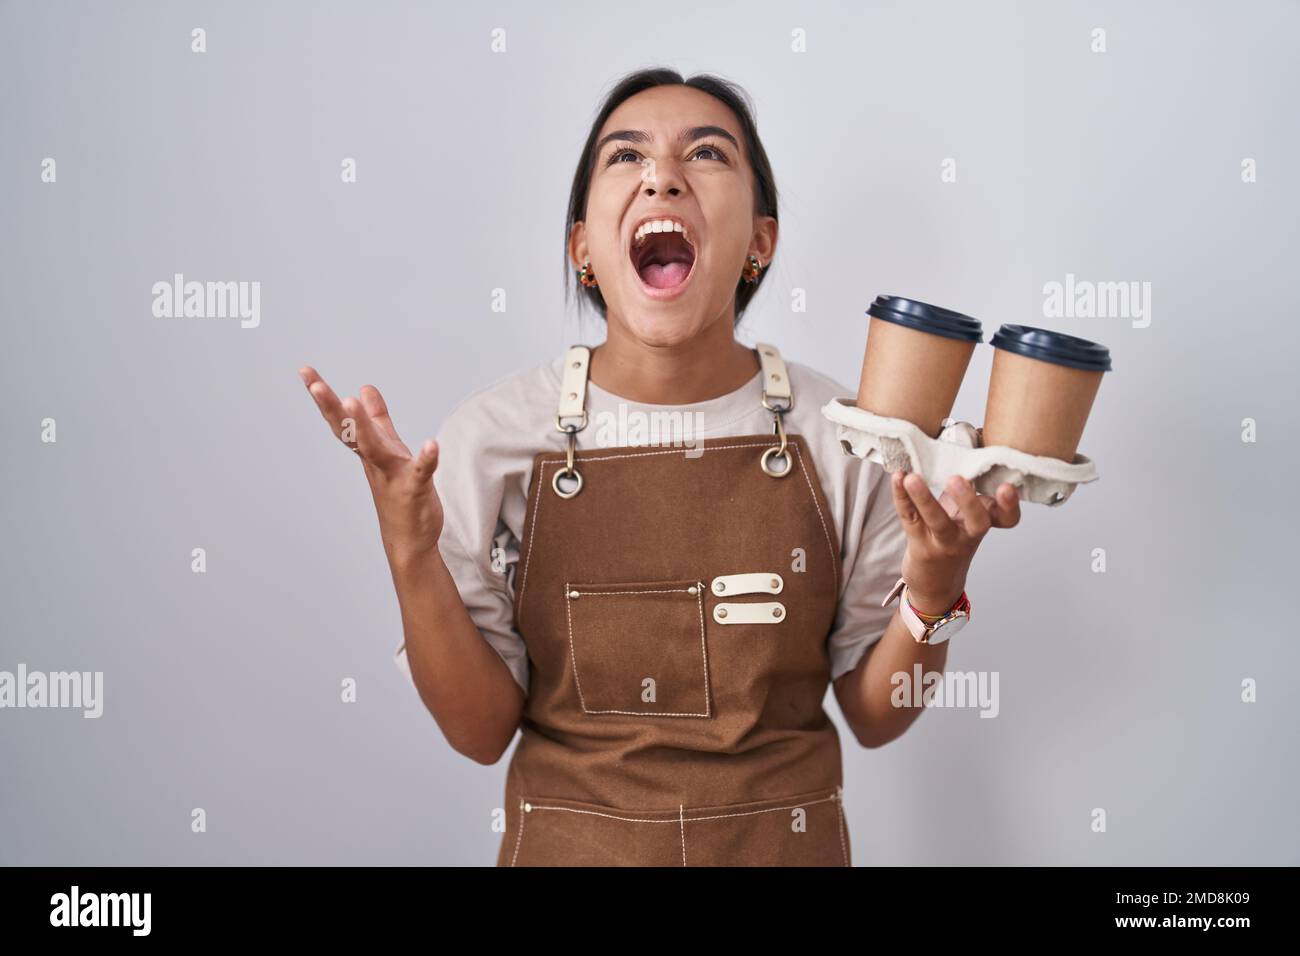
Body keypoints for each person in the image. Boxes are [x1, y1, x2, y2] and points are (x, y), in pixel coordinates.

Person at [298, 68, 1021, 866]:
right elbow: (478, 732)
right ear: (583, 246)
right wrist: (409, 550)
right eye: (625, 157)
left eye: (706, 154)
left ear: (760, 241)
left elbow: (880, 715)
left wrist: (935, 590)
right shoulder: (493, 437)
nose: (662, 176)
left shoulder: (846, 436)